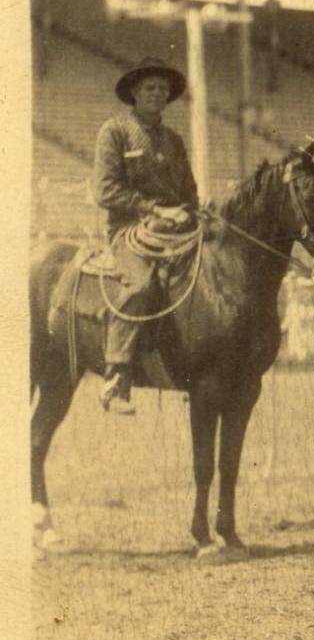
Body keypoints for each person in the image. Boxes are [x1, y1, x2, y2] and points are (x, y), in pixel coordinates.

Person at [92, 57, 200, 416]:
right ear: (135, 93)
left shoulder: (174, 140)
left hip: (176, 229)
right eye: (151, 88)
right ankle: (117, 374)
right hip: (129, 231)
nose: (158, 94)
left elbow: (189, 193)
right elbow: (105, 190)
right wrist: (153, 210)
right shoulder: (116, 131)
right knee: (140, 285)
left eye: (163, 89)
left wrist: (192, 211)